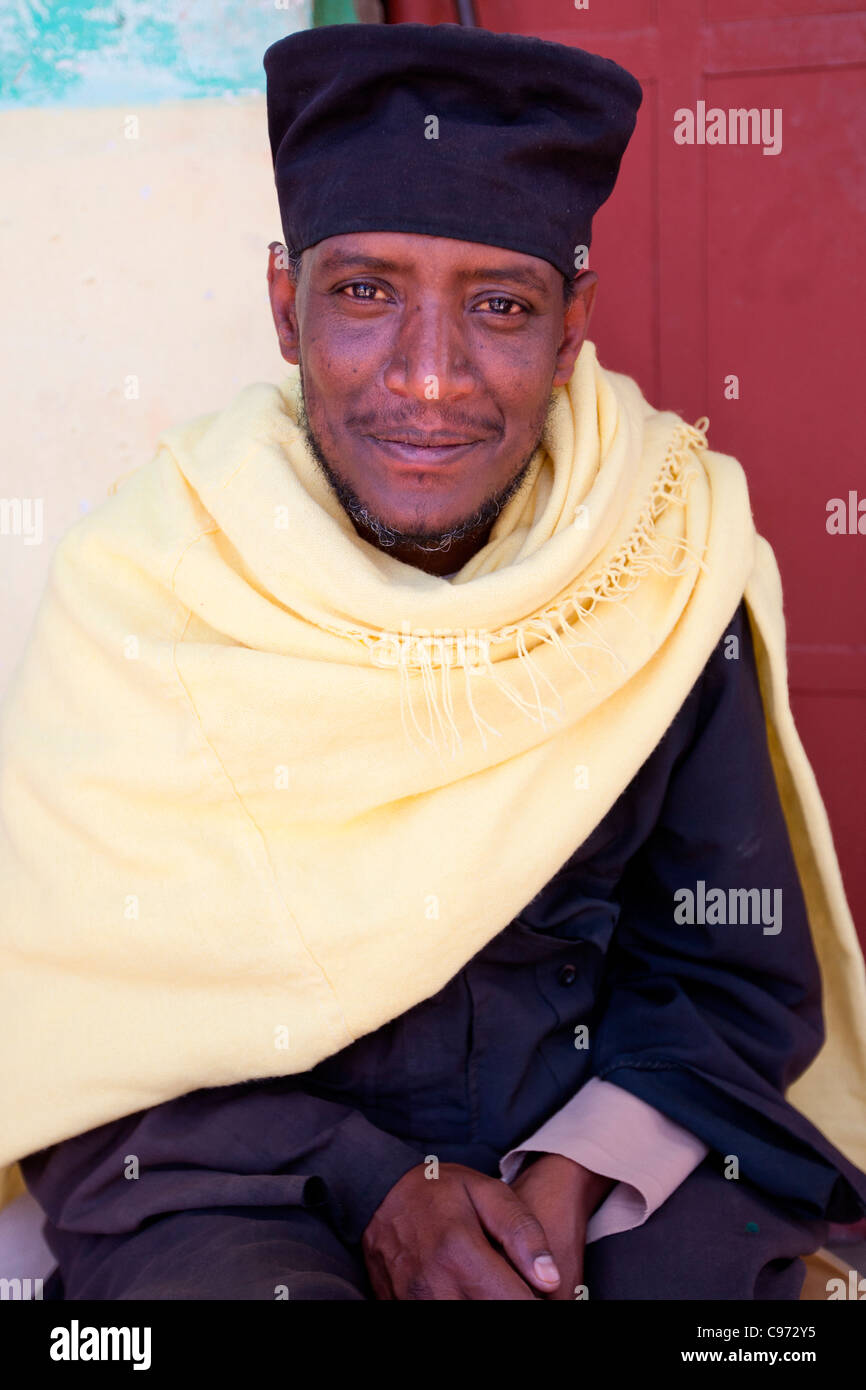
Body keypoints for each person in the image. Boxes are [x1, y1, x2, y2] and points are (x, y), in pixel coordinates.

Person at [4, 22, 866, 1302]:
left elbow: (726, 968)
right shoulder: (148, 585)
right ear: (285, 310)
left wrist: (573, 1176)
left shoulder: (664, 556)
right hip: (241, 1180)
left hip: (590, 1160)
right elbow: (87, 1036)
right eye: (362, 294)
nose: (427, 379)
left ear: (571, 331)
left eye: (499, 307)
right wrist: (373, 1184)